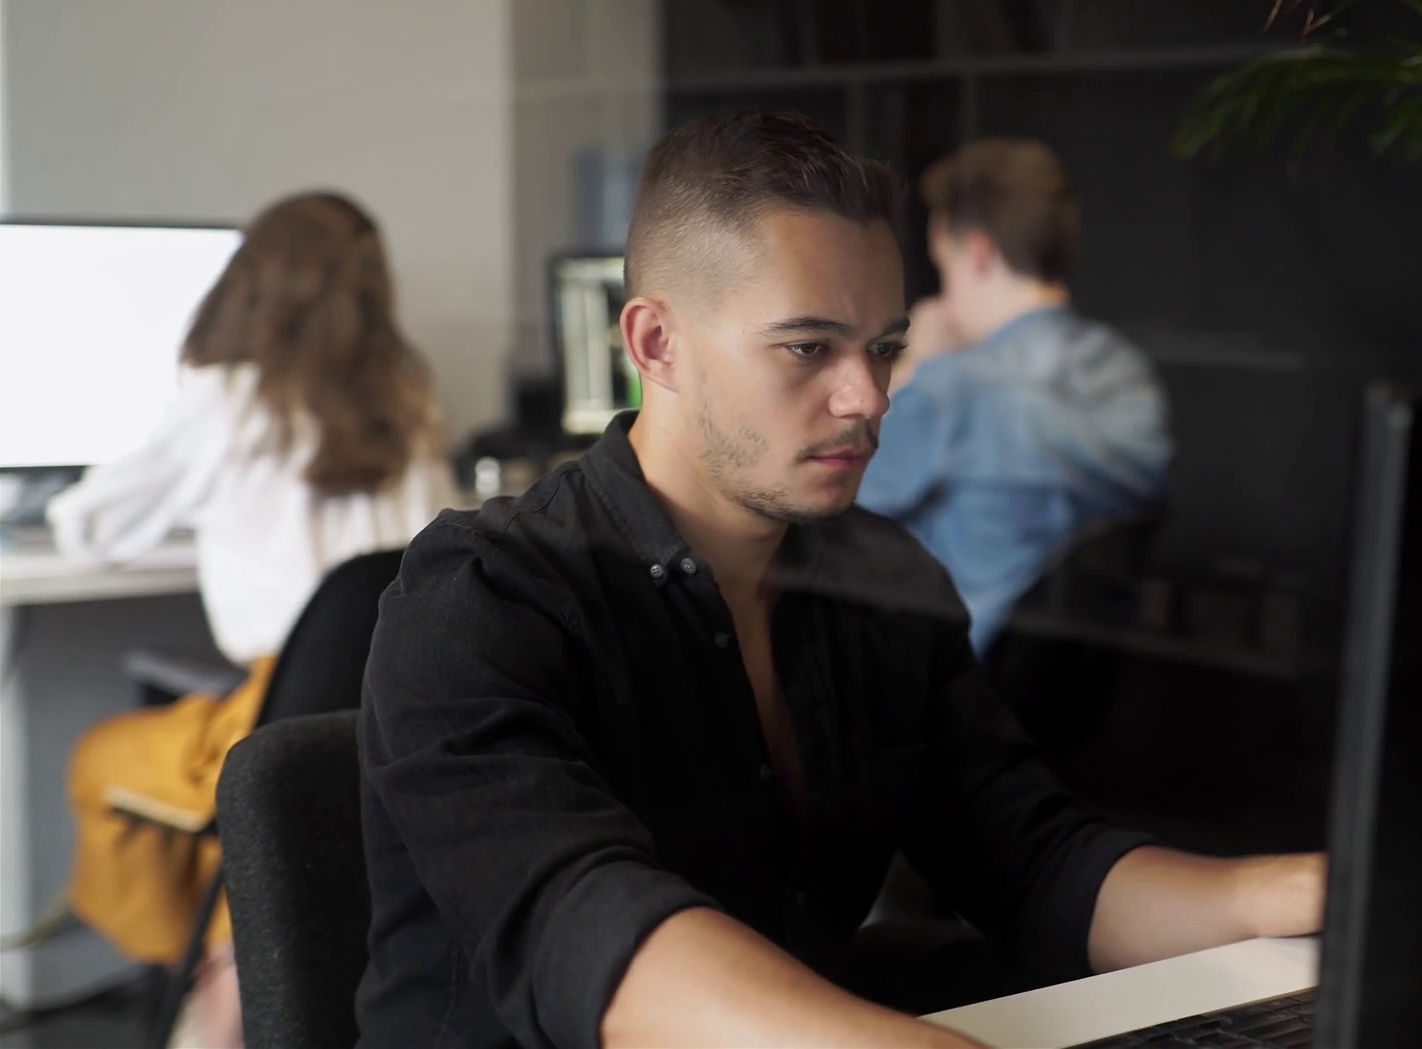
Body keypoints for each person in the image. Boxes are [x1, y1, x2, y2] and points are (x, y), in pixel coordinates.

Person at [356, 111, 1322, 1049]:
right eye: (807, 347)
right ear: (655, 345)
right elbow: (590, 939)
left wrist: (1292, 895)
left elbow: (1036, 864)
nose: (869, 398)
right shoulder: (481, 596)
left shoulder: (884, 582)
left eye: (886, 347)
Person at [51, 191, 456, 1048]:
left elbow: (90, 527)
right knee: (224, 780)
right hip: (399, 709)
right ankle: (245, 948)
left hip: (275, 721)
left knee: (102, 759)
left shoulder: (228, 400)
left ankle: (213, 963)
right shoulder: (409, 398)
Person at [858, 139, 1172, 653]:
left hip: (945, 672)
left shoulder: (953, 389)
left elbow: (834, 502)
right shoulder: (1128, 374)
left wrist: (911, 368)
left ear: (978, 253)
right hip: (1066, 680)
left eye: (944, 266)